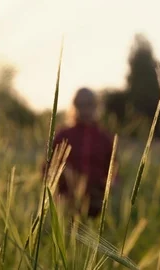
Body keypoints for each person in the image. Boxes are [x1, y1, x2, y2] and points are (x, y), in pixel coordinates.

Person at [44, 87, 118, 218]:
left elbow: (114, 171)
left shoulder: (105, 138)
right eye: (80, 104)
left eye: (89, 104)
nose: (84, 109)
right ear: (74, 106)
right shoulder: (62, 136)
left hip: (97, 204)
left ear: (96, 106)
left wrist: (109, 187)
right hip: (66, 205)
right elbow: (47, 170)